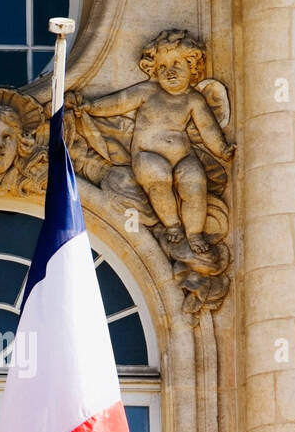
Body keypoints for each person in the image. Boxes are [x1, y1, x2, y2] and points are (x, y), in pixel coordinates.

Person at [77, 30, 234, 260]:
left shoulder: (193, 100)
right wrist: (91, 107)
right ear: (153, 69)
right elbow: (118, 103)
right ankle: (172, 225)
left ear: (193, 68)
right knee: (158, 177)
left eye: (177, 65)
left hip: (183, 155)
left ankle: (194, 233)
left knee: (195, 183)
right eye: (162, 67)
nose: (169, 72)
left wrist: (221, 149)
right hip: (146, 155)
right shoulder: (148, 91)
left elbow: (208, 129)